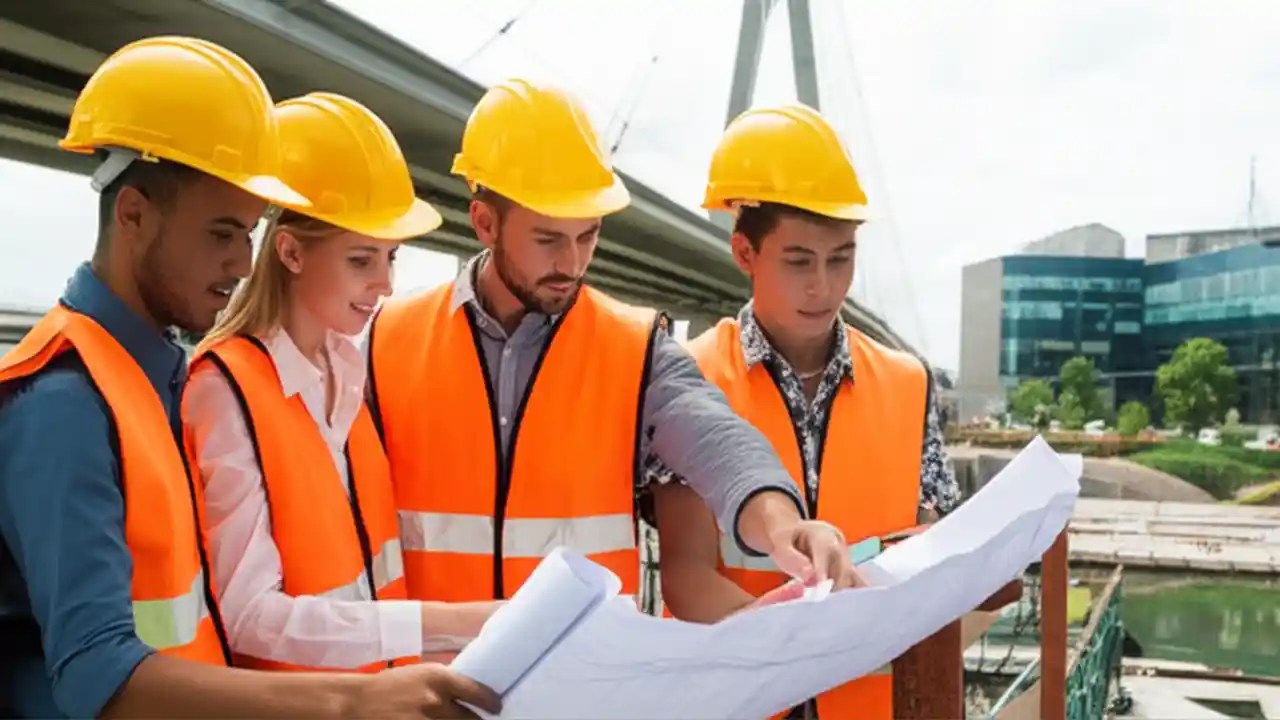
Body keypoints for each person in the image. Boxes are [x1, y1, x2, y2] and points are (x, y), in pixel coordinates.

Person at [0, 37, 498, 719]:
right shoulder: (63, 400)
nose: (241, 262)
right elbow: (98, 673)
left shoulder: (152, 378)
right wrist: (355, 700)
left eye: (249, 235)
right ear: (134, 215)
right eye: (221, 234)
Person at [365, 78, 857, 608]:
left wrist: (783, 522)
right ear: (485, 223)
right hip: (433, 685)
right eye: (548, 239)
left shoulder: (637, 350)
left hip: (587, 683)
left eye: (588, 235)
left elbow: (717, 440)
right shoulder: (383, 341)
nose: (573, 264)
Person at [647, 104, 961, 720]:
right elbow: (685, 575)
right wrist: (792, 657)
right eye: (799, 261)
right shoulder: (686, 380)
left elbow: (928, 557)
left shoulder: (908, 384)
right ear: (744, 252)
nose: (824, 286)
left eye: (840, 258)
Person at [182, 91, 504, 673]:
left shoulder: (349, 371)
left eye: (391, 258)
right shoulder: (223, 390)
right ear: (290, 252)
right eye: (361, 260)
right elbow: (249, 616)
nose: (383, 285)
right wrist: (457, 624)